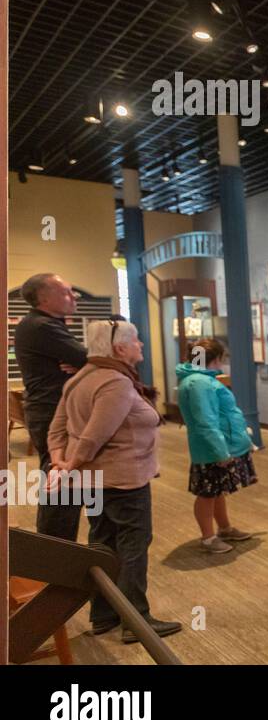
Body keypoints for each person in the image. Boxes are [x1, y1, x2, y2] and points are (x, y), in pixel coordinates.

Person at [46, 318, 182, 642]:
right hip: (123, 482)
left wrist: (61, 461)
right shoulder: (115, 383)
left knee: (103, 544)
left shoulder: (81, 378)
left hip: (92, 481)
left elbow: (57, 429)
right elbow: (95, 435)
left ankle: (104, 614)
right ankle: (136, 620)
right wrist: (69, 464)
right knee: (133, 546)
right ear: (120, 348)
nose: (142, 345)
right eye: (137, 340)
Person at [14, 273, 88, 540]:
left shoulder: (40, 324)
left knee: (62, 483)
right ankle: (56, 559)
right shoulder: (42, 326)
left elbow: (83, 360)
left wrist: (80, 366)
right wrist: (85, 363)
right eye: (67, 292)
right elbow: (91, 358)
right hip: (53, 415)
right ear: (44, 298)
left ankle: (54, 554)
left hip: (49, 412)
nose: (74, 297)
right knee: (63, 483)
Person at [176, 338, 257, 555]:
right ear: (215, 358)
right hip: (211, 448)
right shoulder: (200, 383)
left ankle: (224, 528)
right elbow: (206, 421)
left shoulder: (198, 380)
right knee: (207, 493)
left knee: (216, 490)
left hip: (218, 445)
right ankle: (208, 538)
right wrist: (220, 451)